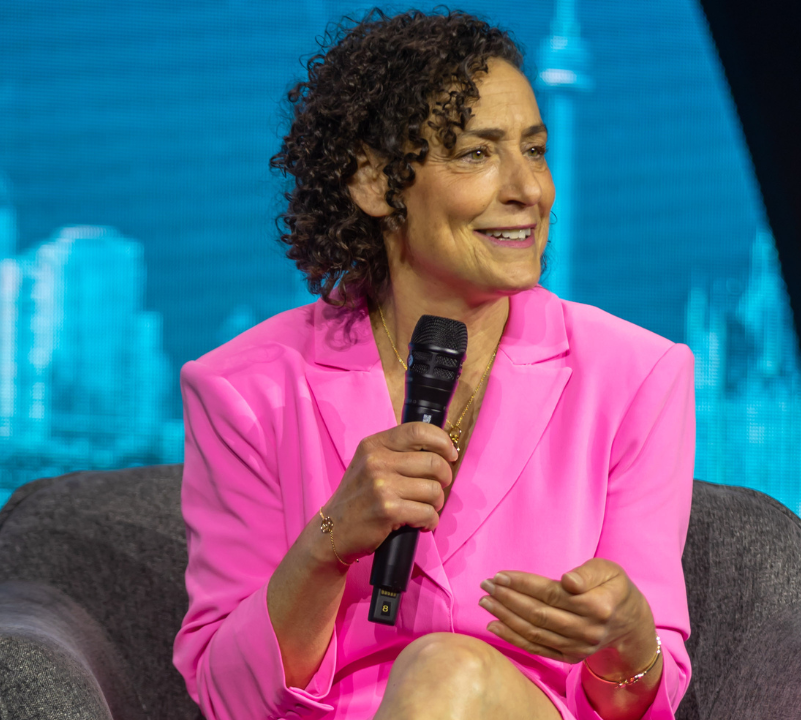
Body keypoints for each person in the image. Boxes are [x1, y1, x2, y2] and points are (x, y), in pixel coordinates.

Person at [173, 9, 695, 720]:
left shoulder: (637, 376)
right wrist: (329, 541)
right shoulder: (243, 391)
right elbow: (225, 697)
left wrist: (629, 642)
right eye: (478, 154)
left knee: (445, 673)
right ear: (374, 182)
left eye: (534, 151)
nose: (527, 190)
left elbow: (640, 701)